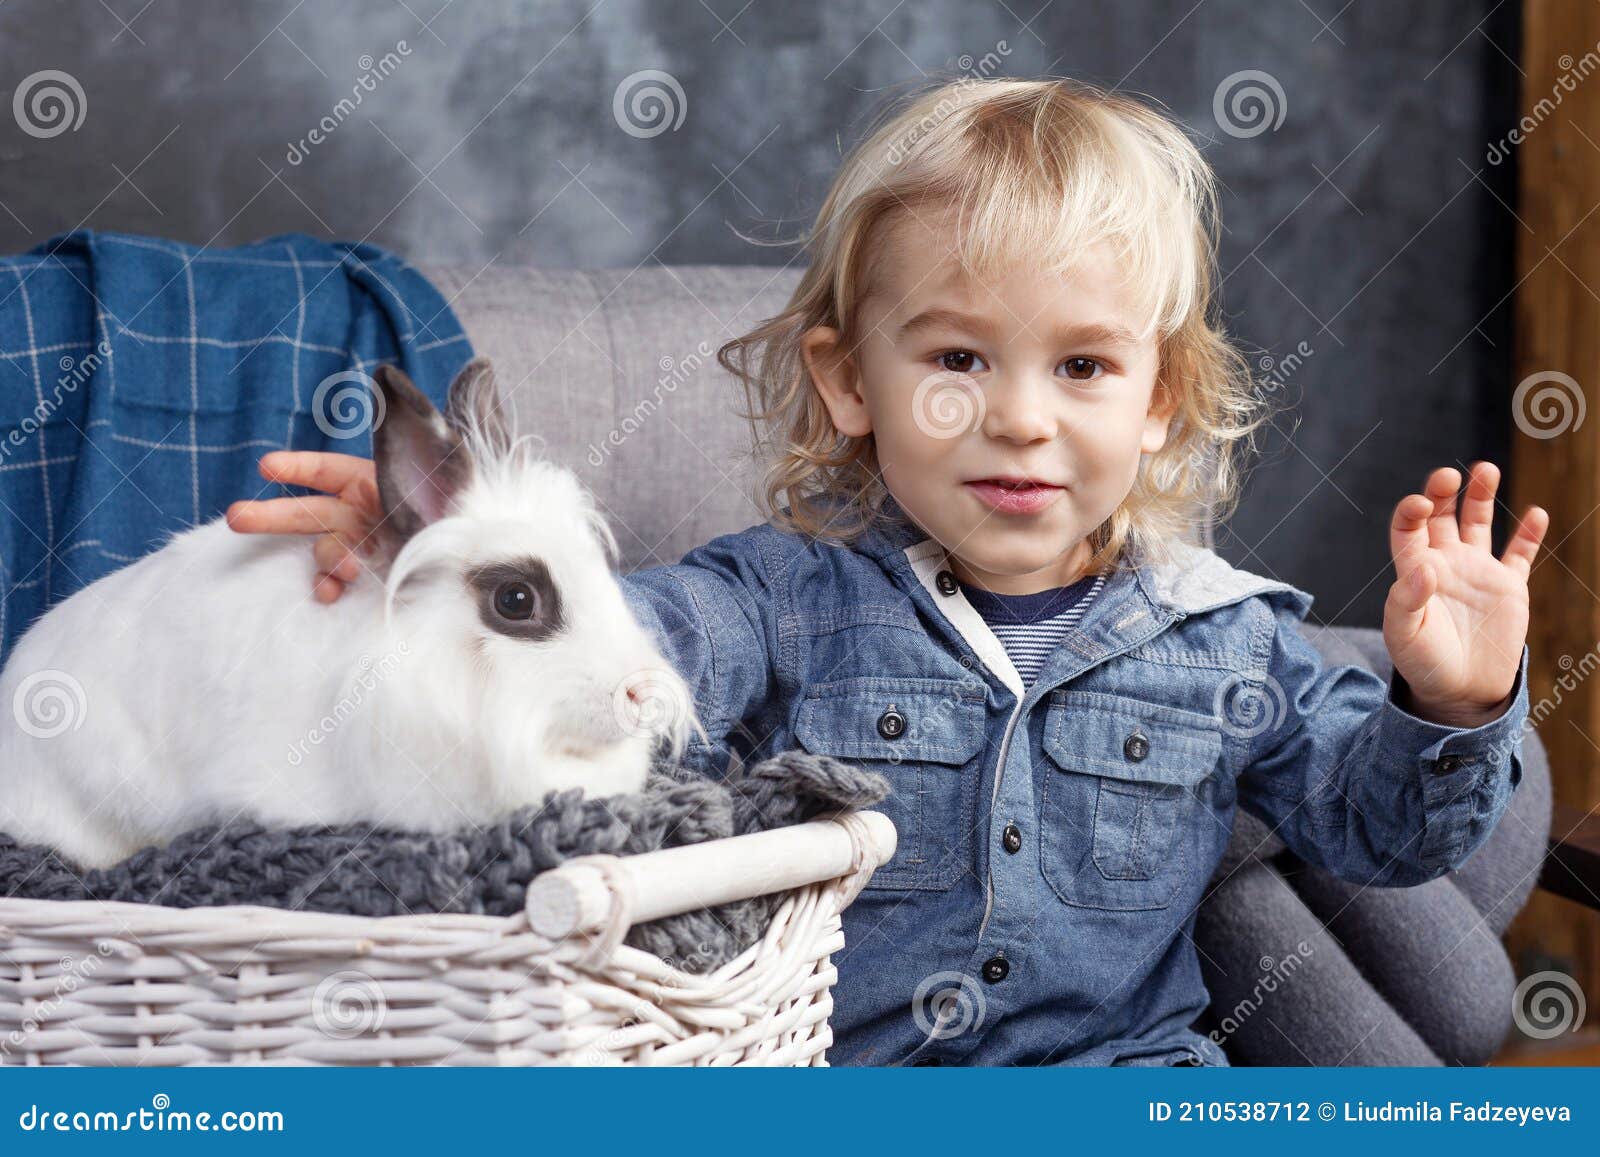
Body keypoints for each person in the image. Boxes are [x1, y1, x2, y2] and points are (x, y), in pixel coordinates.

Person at [225, 76, 1547, 1066]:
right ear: (851, 381)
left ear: (1160, 399)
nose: (1021, 419)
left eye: (1081, 365)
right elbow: (626, 649)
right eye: (958, 360)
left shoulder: (1229, 640)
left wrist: (1449, 705)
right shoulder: (784, 597)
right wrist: (457, 560)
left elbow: (1380, 831)